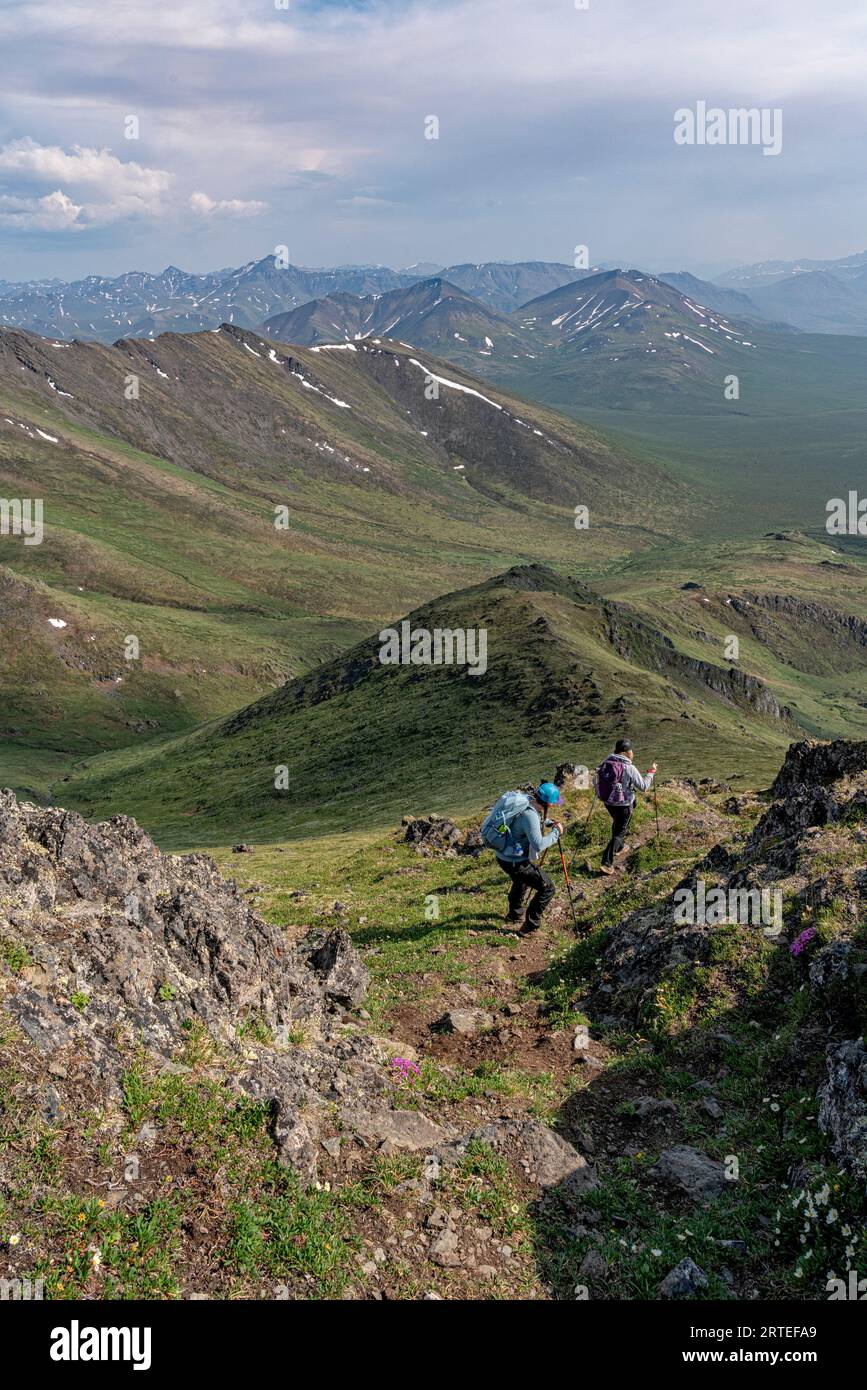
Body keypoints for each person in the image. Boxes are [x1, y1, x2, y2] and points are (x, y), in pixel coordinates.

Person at [488, 781, 563, 934]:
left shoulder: (527, 802)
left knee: (520, 881)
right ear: (548, 803)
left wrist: (548, 822)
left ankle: (514, 914)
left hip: (504, 856)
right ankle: (530, 925)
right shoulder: (530, 815)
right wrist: (556, 833)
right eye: (554, 803)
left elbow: (526, 823)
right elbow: (538, 845)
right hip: (516, 861)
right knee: (547, 888)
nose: (555, 805)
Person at [597, 739, 657, 875]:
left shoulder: (606, 762)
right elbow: (644, 787)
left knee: (618, 823)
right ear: (625, 752)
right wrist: (651, 772)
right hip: (623, 804)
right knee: (620, 832)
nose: (632, 753)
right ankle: (606, 863)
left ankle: (621, 846)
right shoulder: (629, 767)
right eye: (630, 750)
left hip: (608, 802)